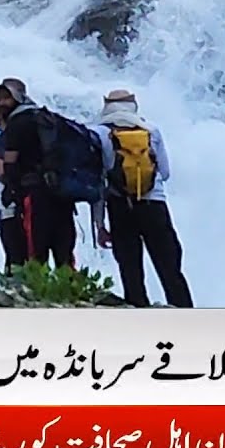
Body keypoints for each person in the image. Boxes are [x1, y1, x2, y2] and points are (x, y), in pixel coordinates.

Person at [91, 89, 194, 307]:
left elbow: (98, 182)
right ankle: (184, 312)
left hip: (119, 206)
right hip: (154, 205)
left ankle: (138, 312)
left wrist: (99, 224)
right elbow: (165, 173)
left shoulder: (99, 133)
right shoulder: (151, 130)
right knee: (169, 266)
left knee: (130, 267)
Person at [0, 78, 77, 270]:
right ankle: (70, 290)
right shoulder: (47, 119)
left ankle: (34, 292)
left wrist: (12, 188)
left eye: (5, 98)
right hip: (60, 193)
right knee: (64, 250)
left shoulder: (17, 124)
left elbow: (6, 167)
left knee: (34, 250)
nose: (1, 104)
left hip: (32, 195)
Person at [0, 105, 27, 270]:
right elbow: (0, 170)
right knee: (16, 252)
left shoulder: (10, 138)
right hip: (9, 204)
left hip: (20, 201)